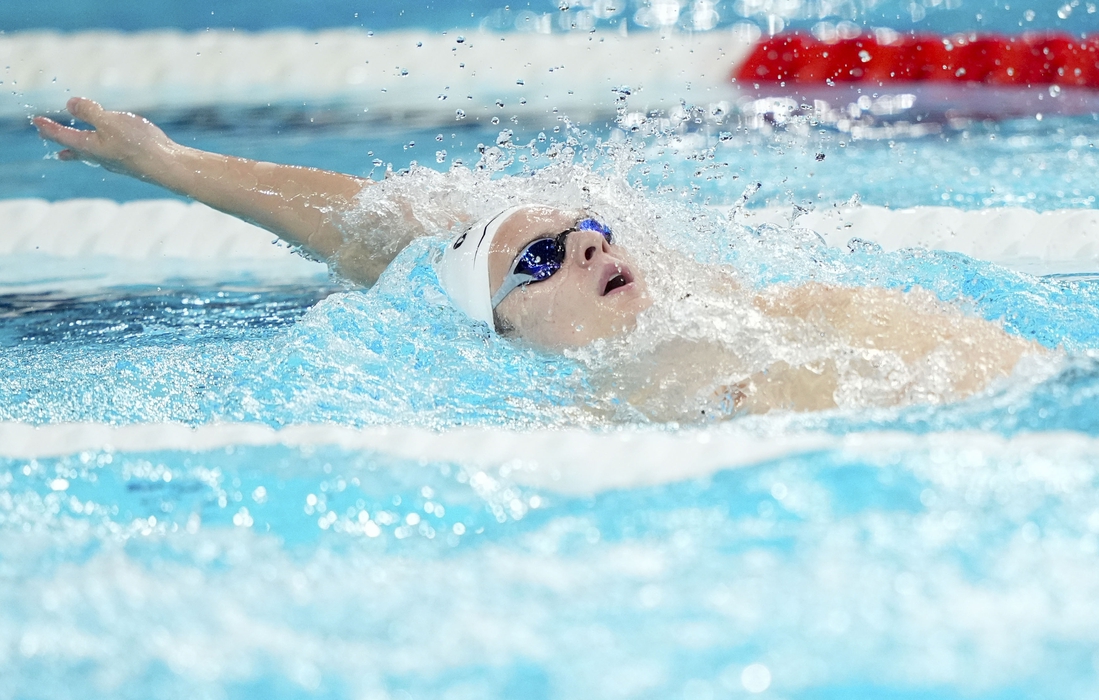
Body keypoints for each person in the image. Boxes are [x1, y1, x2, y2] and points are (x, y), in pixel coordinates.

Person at [33, 97, 1044, 419]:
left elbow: (380, 228)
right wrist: (167, 168)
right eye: (541, 259)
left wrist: (178, 162)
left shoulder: (764, 304)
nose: (590, 242)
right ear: (505, 333)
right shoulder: (594, 423)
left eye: (586, 226)